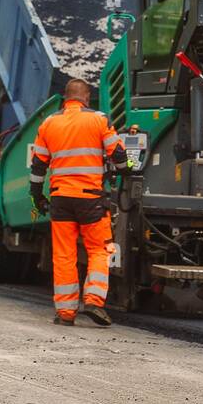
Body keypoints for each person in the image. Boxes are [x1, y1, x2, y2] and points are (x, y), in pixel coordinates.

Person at [29, 78, 129, 327]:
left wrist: (36, 195)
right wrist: (124, 169)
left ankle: (65, 313)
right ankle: (94, 300)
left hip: (61, 199)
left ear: (65, 98)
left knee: (64, 255)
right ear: (86, 98)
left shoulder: (49, 123)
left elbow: (38, 165)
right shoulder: (98, 119)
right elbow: (117, 155)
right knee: (99, 249)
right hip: (90, 199)